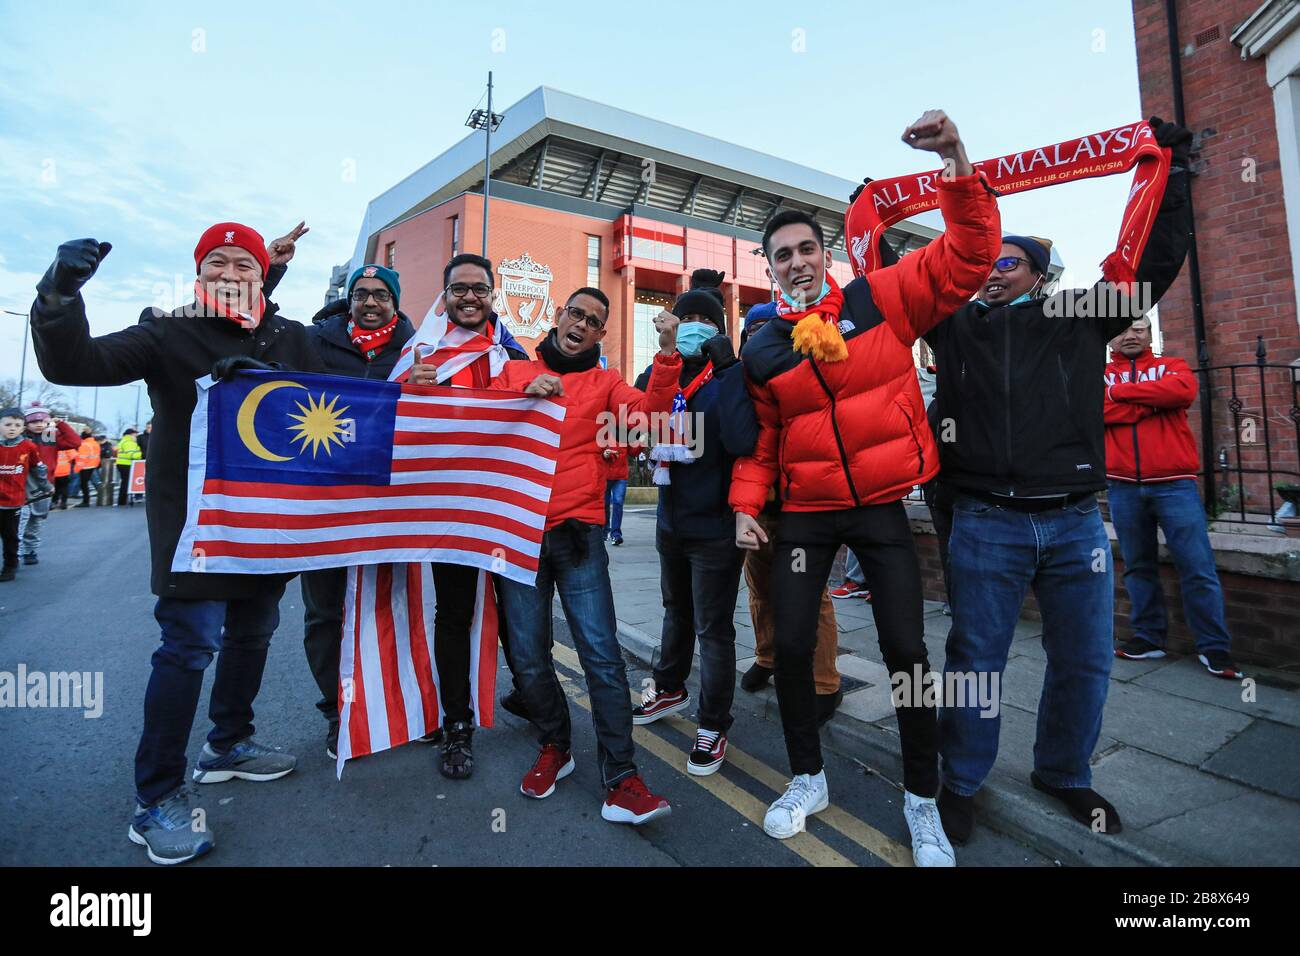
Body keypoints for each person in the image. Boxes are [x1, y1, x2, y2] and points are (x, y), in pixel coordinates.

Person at [731, 110, 999, 866]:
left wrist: (955, 161)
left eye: (807, 248)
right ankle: (807, 778)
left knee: (907, 651)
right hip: (807, 517)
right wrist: (747, 506)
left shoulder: (879, 297)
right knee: (788, 648)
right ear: (768, 267)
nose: (796, 262)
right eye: (781, 255)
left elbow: (969, 258)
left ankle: (921, 800)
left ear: (827, 254)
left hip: (881, 508)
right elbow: (761, 440)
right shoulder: (763, 346)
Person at [925, 118, 1194, 847]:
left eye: (1010, 262)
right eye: (988, 261)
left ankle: (1064, 771)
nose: (994, 270)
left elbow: (1152, 267)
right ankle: (961, 781)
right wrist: (887, 210)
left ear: (1041, 274)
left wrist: (1175, 180)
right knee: (974, 659)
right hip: (987, 519)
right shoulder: (952, 323)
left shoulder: (1078, 314)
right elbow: (903, 268)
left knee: (1083, 656)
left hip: (1077, 520)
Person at [28, 221, 319, 865]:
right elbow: (75, 362)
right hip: (196, 528)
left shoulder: (292, 337)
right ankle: (155, 799)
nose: (230, 273)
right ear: (198, 273)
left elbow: (348, 405)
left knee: (253, 632)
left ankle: (228, 744)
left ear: (259, 275)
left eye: (242, 264)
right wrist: (58, 294)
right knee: (189, 648)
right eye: (215, 262)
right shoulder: (168, 333)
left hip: (270, 525)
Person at [489, 286, 681, 823]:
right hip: (519, 534)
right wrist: (519, 399)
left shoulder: (607, 384)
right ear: (558, 316)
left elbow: (648, 421)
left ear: (599, 335)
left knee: (600, 655)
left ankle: (622, 776)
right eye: (576, 313)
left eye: (594, 321)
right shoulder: (513, 374)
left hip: (578, 536)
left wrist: (665, 357)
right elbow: (481, 428)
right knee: (527, 654)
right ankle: (556, 746)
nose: (582, 324)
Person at [629, 272, 758, 775]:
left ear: (721, 328)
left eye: (708, 320)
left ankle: (713, 724)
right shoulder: (660, 371)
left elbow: (745, 438)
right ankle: (669, 688)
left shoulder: (730, 373)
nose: (696, 327)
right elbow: (636, 433)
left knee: (714, 628)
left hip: (716, 526)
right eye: (689, 318)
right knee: (674, 612)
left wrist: (727, 371)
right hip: (671, 521)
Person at [300, 262, 416, 761]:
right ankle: (337, 710)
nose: (370, 302)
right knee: (325, 612)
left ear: (395, 302)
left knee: (389, 605)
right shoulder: (310, 343)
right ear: (350, 299)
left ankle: (393, 703)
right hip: (324, 502)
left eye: (380, 295)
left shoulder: (419, 349)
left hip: (390, 504)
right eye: (361, 294)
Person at [1104, 316, 1243, 679]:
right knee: (1137, 566)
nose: (1131, 334)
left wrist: (1120, 396)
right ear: (1110, 338)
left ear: (1150, 335)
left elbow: (1180, 392)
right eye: (1123, 328)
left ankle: (1214, 647)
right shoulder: (1098, 375)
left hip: (1175, 484)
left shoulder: (1172, 366)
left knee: (1197, 567)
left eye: (1139, 328)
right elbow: (1091, 409)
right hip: (1122, 484)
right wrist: (1152, 403)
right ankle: (1149, 638)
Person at [735, 302, 844, 722]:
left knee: (812, 597)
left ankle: (824, 682)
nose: (760, 338)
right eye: (753, 330)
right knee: (759, 590)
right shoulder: (742, 381)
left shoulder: (809, 378)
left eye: (768, 328)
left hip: (802, 508)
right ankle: (767, 657)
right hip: (757, 507)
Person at [17, 403, 79, 564]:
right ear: (26, 423)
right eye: (33, 422)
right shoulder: (19, 437)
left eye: (42, 421)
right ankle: (15, 554)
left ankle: (30, 551)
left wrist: (61, 424)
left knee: (36, 520)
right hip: (20, 485)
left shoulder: (51, 436)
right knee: (19, 521)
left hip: (44, 486)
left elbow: (75, 442)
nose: (38, 425)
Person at [1, 407, 50, 582]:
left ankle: (10, 566)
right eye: (7, 424)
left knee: (11, 536)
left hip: (14, 501)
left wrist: (46, 486)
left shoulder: (28, 446)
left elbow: (39, 468)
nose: (12, 428)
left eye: (17, 425)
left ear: (23, 428)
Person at [602, 444, 630, 546]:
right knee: (604, 504)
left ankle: (616, 534)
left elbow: (633, 450)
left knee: (618, 503)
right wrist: (603, 454)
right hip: (605, 474)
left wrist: (640, 440)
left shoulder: (625, 431)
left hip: (620, 475)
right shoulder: (602, 431)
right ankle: (604, 531)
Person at [72, 429, 102, 507]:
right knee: (92, 482)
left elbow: (82, 458)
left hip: (85, 467)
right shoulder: (95, 443)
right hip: (93, 465)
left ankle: (86, 501)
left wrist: (76, 469)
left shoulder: (84, 445)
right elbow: (97, 455)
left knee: (84, 485)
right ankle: (99, 497)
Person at [115, 428, 143, 506]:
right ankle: (122, 501)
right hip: (127, 464)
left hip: (122, 463)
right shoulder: (129, 442)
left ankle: (122, 500)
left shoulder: (123, 441)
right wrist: (141, 454)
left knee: (124, 482)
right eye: (135, 434)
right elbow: (133, 454)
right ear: (130, 435)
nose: (136, 436)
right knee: (126, 483)